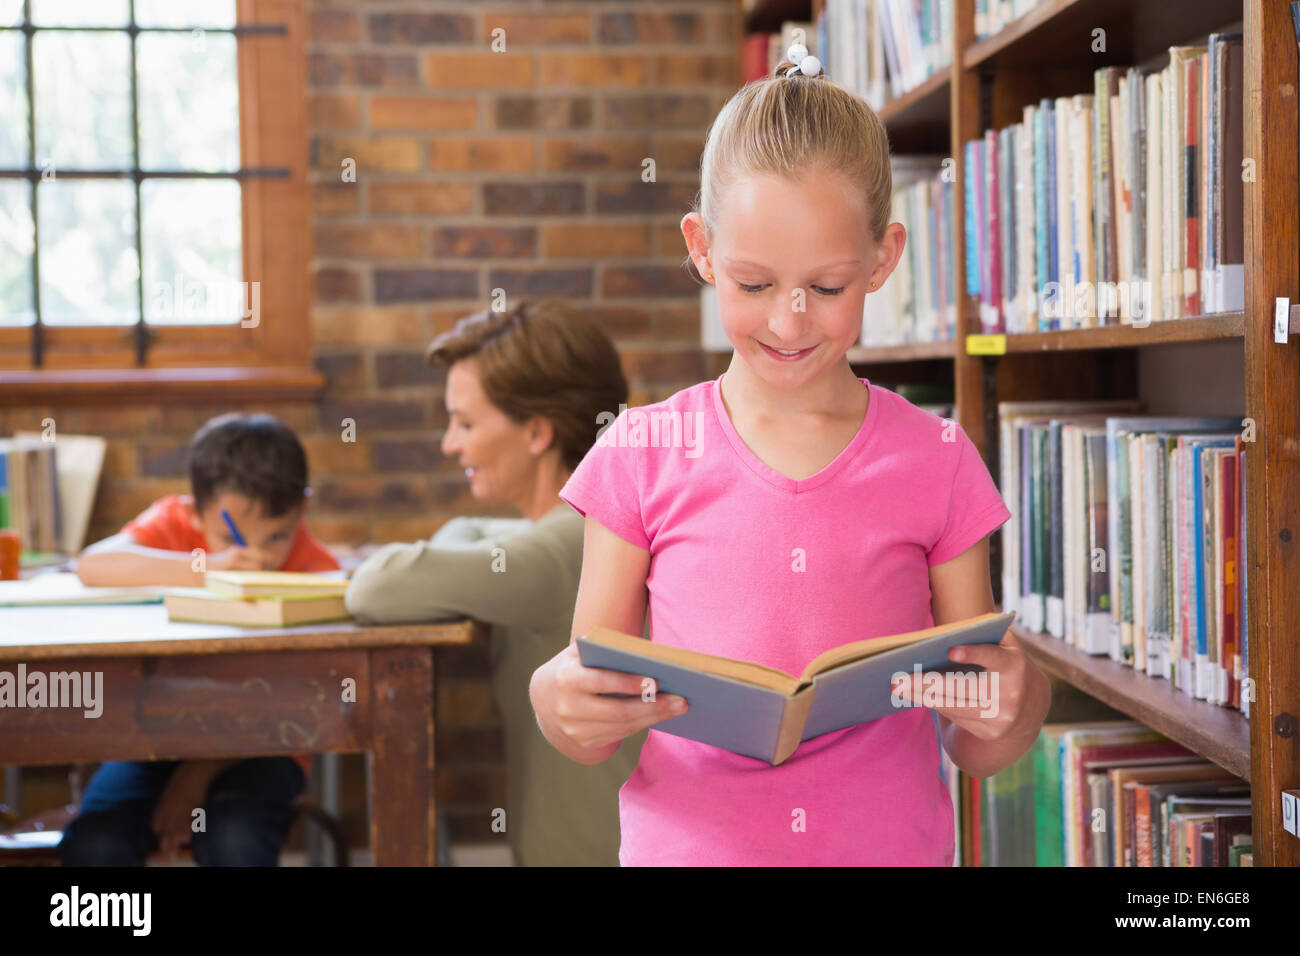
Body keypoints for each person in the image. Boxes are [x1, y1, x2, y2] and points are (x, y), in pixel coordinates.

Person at [528, 45, 1052, 865]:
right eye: (754, 283)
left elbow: (975, 741)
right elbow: (590, 711)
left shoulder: (939, 458)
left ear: (883, 258)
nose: (789, 321)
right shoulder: (642, 450)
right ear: (701, 249)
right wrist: (555, 698)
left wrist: (1015, 706)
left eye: (829, 287)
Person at [345, 299, 644, 866]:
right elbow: (469, 529)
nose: (449, 444)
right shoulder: (581, 530)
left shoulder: (558, 550)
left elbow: (374, 588)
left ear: (536, 432)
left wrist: (457, 535)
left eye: (465, 423)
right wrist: (465, 530)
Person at [63, 412, 337, 865]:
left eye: (276, 537)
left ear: (302, 508)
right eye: (231, 540)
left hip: (263, 746)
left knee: (235, 844)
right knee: (97, 843)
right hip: (155, 739)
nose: (258, 560)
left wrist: (197, 773)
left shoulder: (315, 569)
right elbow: (93, 566)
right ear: (194, 511)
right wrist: (205, 566)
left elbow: (297, 700)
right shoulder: (175, 525)